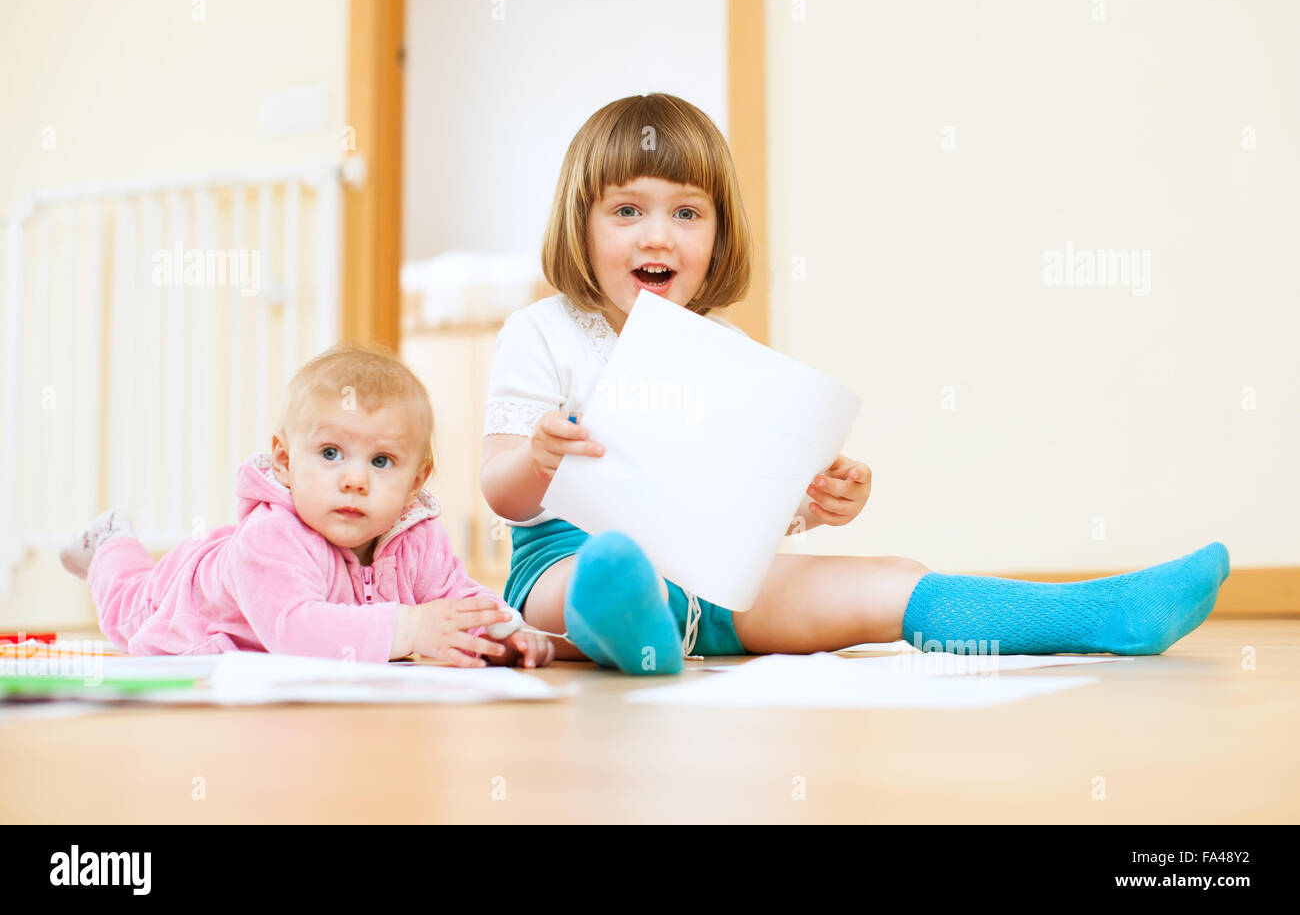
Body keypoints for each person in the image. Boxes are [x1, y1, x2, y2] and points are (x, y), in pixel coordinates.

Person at [479, 92, 1230, 675]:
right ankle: (635, 629)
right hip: (564, 570)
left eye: (686, 212)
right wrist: (539, 459)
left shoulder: (723, 350)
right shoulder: (542, 334)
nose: (657, 235)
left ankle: (1101, 614)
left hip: (712, 586)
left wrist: (809, 507)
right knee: (604, 574)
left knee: (889, 579)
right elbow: (502, 495)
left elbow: (738, 515)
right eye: (626, 211)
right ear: (580, 226)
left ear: (717, 235)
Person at [61, 342, 554, 668]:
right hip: (181, 598)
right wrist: (409, 628)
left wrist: (504, 630)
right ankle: (110, 540)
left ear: (416, 479)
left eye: (382, 461)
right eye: (331, 454)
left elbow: (457, 597)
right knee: (124, 605)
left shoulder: (418, 537)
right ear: (284, 460)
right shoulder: (271, 537)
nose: (355, 480)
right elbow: (293, 630)